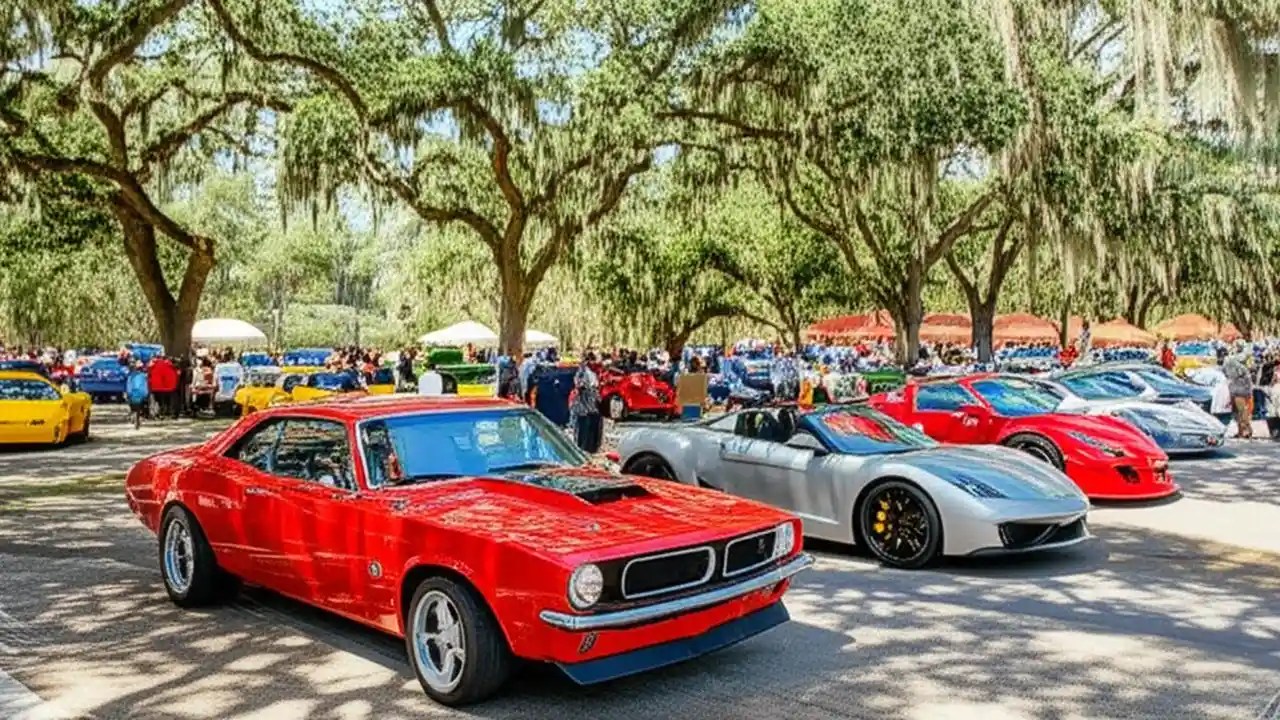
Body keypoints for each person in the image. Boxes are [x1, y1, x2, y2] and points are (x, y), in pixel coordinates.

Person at [570, 358, 603, 453]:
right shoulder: (583, 373)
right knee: (584, 433)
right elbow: (580, 385)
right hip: (585, 409)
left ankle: (590, 449)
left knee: (591, 432)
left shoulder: (593, 373)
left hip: (591, 409)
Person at [1223, 344, 1254, 439]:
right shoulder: (1239, 365)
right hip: (1241, 389)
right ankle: (1243, 431)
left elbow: (1225, 372)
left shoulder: (1231, 362)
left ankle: (1246, 430)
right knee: (1241, 411)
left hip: (1237, 389)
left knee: (1240, 411)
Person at [126, 361, 150, 427]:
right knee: (141, 406)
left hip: (133, 395)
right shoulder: (143, 376)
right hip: (141, 395)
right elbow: (145, 386)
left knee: (132, 406)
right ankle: (140, 416)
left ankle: (133, 415)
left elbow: (128, 386)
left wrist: (129, 393)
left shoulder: (130, 377)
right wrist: (146, 394)